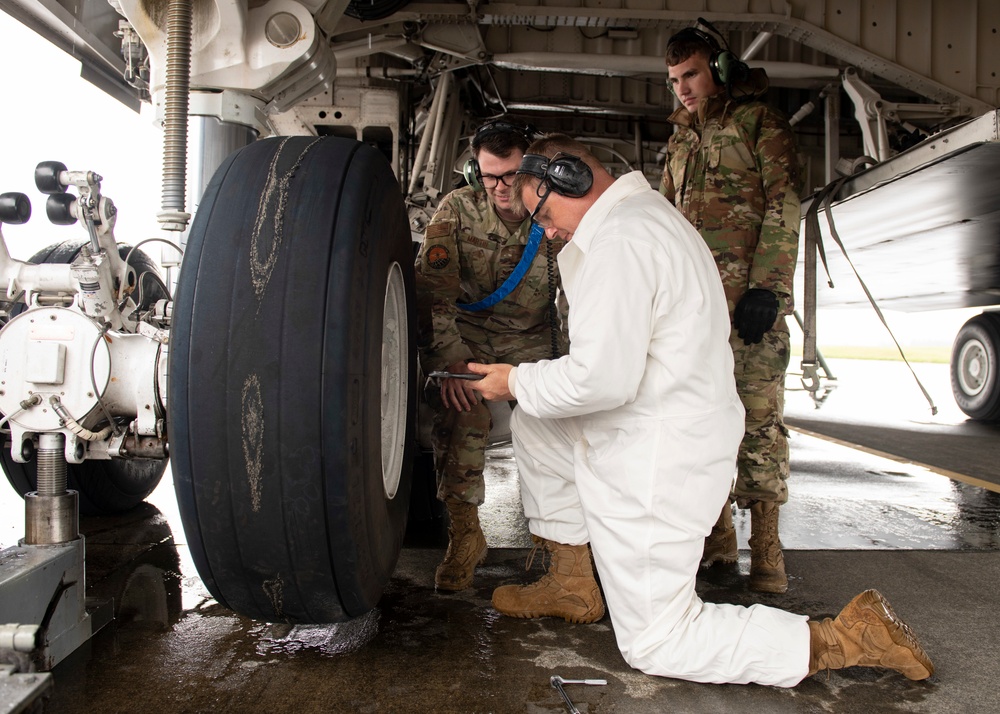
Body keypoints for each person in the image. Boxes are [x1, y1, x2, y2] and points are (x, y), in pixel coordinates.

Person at [467, 134, 934, 686]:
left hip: (663, 458)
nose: (546, 231)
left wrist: (514, 380)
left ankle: (843, 637)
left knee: (659, 642)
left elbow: (601, 379)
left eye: (543, 214)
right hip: (659, 423)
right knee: (541, 424)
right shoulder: (641, 217)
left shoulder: (622, 241)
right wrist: (529, 393)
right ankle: (572, 582)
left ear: (573, 178)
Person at [659, 26, 803, 593]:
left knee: (758, 424)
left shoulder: (760, 124)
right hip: (695, 317)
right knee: (702, 424)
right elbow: (666, 222)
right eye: (673, 82)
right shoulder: (678, 141)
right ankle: (717, 541)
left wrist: (768, 288)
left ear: (718, 68)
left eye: (690, 75)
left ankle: (766, 548)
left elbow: (785, 201)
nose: (682, 90)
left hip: (751, 312)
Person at [414, 118, 567, 592]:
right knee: (459, 414)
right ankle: (465, 535)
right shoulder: (457, 209)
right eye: (489, 175)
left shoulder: (554, 210)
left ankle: (565, 545)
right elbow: (432, 294)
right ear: (473, 171)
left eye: (510, 174)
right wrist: (451, 361)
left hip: (533, 339)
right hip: (470, 338)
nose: (501, 188)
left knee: (556, 429)